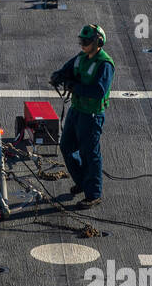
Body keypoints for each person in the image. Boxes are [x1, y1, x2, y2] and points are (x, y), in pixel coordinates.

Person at [49, 23, 115, 209]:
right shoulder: (81, 57)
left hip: (92, 115)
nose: (83, 45)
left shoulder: (105, 64)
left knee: (90, 154)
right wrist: (58, 76)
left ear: (98, 42)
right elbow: (67, 69)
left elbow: (99, 91)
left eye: (86, 42)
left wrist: (74, 87)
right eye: (82, 41)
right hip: (77, 110)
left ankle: (93, 194)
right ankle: (82, 181)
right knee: (66, 147)